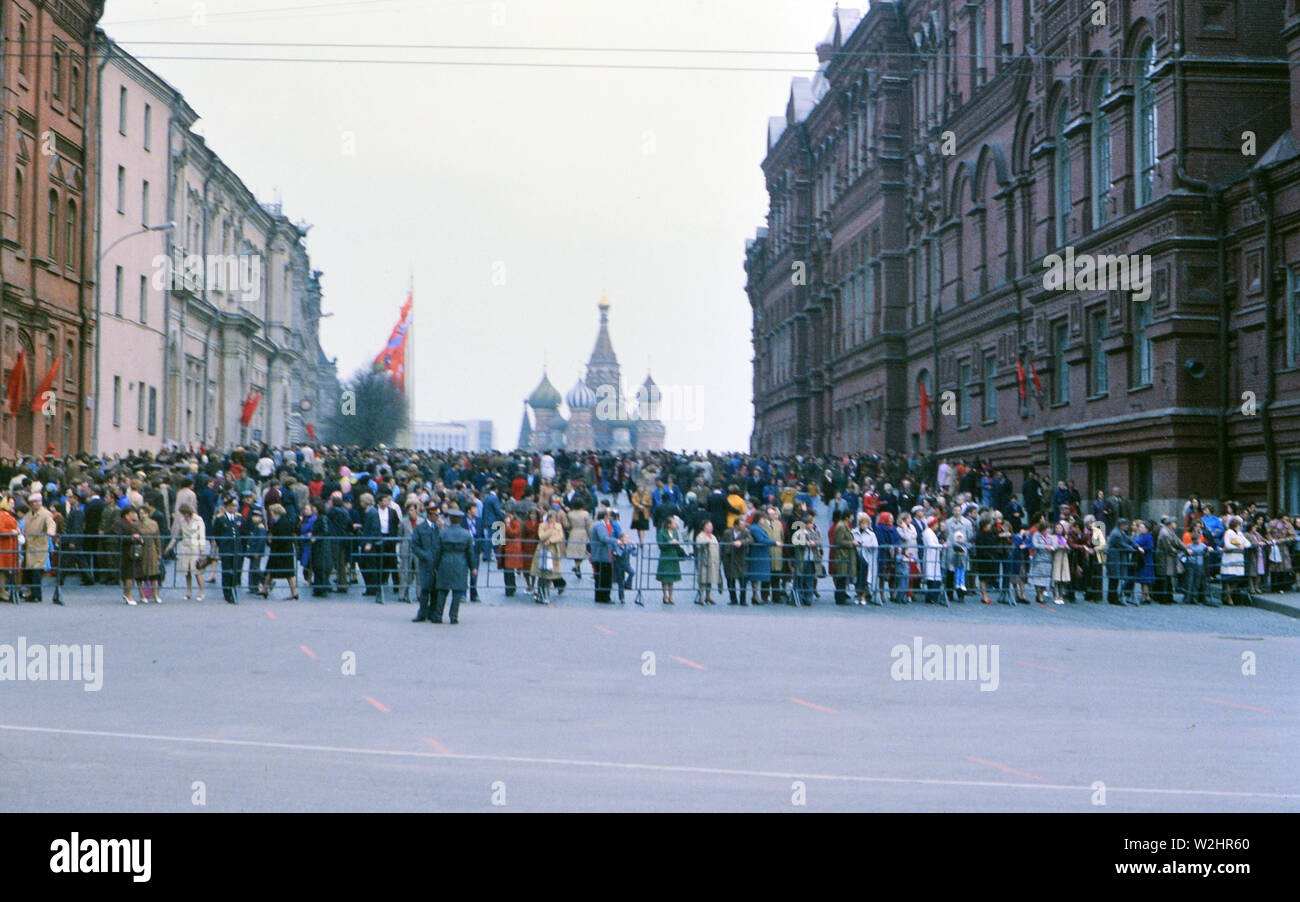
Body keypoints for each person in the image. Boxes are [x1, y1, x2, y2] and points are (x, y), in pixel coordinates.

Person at [431, 508, 476, 624]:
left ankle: (438, 615)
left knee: (442, 590)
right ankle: (453, 617)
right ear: (460, 519)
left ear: (450, 519)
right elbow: (470, 552)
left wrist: (435, 565)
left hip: (445, 561)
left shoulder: (443, 532)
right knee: (457, 592)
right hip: (461, 562)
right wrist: (473, 567)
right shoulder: (466, 534)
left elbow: (437, 551)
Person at [23, 493, 57, 604]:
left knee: (37, 571)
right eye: (35, 502)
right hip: (29, 546)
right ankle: (32, 593)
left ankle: (37, 595)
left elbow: (51, 523)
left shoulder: (46, 514)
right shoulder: (28, 515)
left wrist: (51, 531)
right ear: (31, 504)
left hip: (39, 546)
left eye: (39, 501)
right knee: (30, 571)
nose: (38, 503)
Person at [410, 501, 441, 622]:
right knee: (425, 589)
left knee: (435, 589)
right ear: (429, 515)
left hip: (437, 563)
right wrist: (424, 555)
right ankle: (422, 613)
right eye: (435, 515)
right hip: (425, 563)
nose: (437, 517)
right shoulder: (420, 528)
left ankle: (432, 612)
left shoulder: (438, 528)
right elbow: (415, 545)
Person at [169, 503, 207, 601]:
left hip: (195, 547)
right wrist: (169, 547)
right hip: (185, 547)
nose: (184, 515)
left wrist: (202, 549)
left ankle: (201, 591)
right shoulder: (182, 521)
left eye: (185, 513)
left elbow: (202, 535)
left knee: (197, 570)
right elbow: (177, 535)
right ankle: (188, 591)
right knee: (187, 571)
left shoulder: (198, 519)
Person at [260, 503, 299, 600]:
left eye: (272, 513)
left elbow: (280, 537)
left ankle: (293, 592)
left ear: (276, 513)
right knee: (280, 572)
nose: (271, 515)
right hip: (283, 550)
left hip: (280, 551)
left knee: (283, 572)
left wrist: (272, 543)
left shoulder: (281, 523)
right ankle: (265, 589)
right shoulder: (285, 521)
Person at [211, 494, 244, 604]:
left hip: (236, 548)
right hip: (226, 548)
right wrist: (222, 544)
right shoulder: (220, 519)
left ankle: (233, 589)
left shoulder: (239, 517)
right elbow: (216, 533)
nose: (234, 508)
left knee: (235, 570)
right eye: (231, 506)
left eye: (235, 506)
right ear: (226, 507)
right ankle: (227, 592)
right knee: (226, 570)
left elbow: (242, 532)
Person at [530, 509, 564, 605]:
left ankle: (546, 592)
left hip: (553, 551)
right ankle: (541, 593)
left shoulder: (559, 526)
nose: (552, 520)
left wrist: (551, 540)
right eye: (550, 518)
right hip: (542, 551)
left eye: (554, 518)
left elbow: (560, 536)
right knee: (542, 573)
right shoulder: (542, 525)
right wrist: (550, 530)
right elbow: (541, 536)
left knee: (550, 574)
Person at [112, 506, 143, 605]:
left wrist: (140, 538)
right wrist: (132, 537)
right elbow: (119, 537)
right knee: (128, 574)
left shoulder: (132, 523)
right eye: (132, 513)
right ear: (127, 514)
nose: (134, 515)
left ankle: (126, 593)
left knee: (130, 574)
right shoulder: (120, 523)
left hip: (133, 551)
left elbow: (138, 533)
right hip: (125, 551)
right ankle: (128, 594)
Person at [1219, 516, 1250, 606]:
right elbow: (1228, 545)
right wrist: (1238, 546)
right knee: (1228, 578)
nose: (1240, 527)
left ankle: (1227, 595)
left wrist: (1242, 545)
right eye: (1239, 525)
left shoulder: (1240, 533)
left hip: (1238, 558)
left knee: (1236, 579)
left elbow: (1247, 543)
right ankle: (1228, 597)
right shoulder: (1228, 532)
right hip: (1230, 557)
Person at [590, 509, 618, 604]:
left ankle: (601, 597)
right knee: (605, 577)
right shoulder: (600, 525)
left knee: (601, 577)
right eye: (608, 516)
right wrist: (615, 541)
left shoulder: (599, 525)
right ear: (605, 516)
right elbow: (603, 538)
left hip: (601, 554)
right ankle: (604, 597)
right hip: (601, 555)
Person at [829, 508, 857, 605]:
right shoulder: (841, 526)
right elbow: (839, 541)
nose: (853, 517)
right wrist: (851, 543)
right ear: (847, 517)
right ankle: (840, 598)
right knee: (841, 578)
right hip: (842, 556)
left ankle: (841, 597)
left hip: (845, 556)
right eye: (852, 516)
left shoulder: (845, 525)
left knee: (843, 578)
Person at [746, 512, 775, 605]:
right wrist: (774, 542)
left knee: (757, 576)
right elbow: (761, 540)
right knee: (756, 575)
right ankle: (755, 596)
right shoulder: (755, 528)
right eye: (763, 519)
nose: (764, 521)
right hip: (757, 554)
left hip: (761, 554)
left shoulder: (758, 528)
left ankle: (756, 596)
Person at [656, 516, 685, 604]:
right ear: (669, 525)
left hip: (673, 556)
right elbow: (660, 545)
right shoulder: (661, 532)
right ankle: (665, 595)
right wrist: (669, 543)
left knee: (671, 578)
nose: (676, 525)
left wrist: (678, 547)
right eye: (674, 523)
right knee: (665, 577)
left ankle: (671, 596)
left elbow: (677, 544)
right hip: (665, 556)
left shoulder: (675, 532)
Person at [1154, 516, 1183, 604]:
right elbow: (1168, 546)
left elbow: (1177, 541)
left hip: (1168, 557)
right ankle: (1163, 598)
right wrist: (1176, 551)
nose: (1176, 525)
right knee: (1165, 578)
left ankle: (1169, 597)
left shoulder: (1171, 531)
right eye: (1175, 523)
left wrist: (1185, 548)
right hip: (1164, 557)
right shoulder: (1164, 532)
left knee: (1168, 578)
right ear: (1170, 524)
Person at [851, 512, 878, 605]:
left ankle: (864, 596)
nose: (864, 525)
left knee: (866, 578)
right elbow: (851, 541)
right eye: (863, 523)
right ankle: (858, 594)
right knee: (857, 577)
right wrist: (853, 543)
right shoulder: (854, 532)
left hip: (867, 558)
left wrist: (869, 545)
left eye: (866, 523)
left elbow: (876, 545)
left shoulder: (871, 534)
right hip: (857, 557)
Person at [694, 520, 720, 605]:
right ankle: (700, 597)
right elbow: (698, 545)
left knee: (710, 579)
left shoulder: (713, 536)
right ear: (704, 527)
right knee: (703, 579)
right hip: (704, 561)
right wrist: (705, 544)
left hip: (713, 561)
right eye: (709, 526)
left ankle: (708, 597)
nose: (711, 527)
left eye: (711, 526)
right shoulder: (700, 536)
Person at [565, 499, 592, 581]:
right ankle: (577, 566)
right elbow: (588, 526)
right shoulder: (585, 514)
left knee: (575, 552)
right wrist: (590, 535)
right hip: (582, 532)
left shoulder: (570, 514)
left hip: (573, 532)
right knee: (583, 551)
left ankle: (577, 566)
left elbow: (568, 525)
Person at [0, 498, 18, 603]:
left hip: (8, 546)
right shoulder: (2, 515)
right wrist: (12, 531)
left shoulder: (8, 515)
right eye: (11, 503)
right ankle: (2, 592)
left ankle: (3, 591)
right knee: (3, 570)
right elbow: (1, 529)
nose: (13, 505)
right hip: (3, 546)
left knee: (5, 570)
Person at [1133, 520, 1155, 604]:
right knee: (1143, 579)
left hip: (1146, 559)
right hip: (1142, 559)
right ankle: (1146, 596)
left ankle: (1145, 596)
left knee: (1145, 579)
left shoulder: (1148, 536)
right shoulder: (1141, 536)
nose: (1140, 528)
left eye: (1142, 527)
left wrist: (1143, 549)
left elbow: (1150, 546)